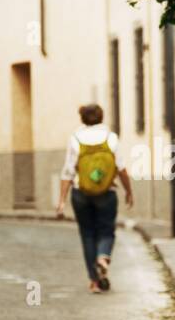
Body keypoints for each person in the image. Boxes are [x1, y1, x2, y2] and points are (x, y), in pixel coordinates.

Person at [56, 104, 134, 293]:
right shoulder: (111, 138)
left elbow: (68, 171)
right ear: (101, 116)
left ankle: (94, 281)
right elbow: (121, 168)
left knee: (87, 234)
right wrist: (128, 190)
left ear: (82, 118)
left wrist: (61, 201)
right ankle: (103, 256)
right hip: (106, 193)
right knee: (106, 230)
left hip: (80, 193)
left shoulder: (75, 139)